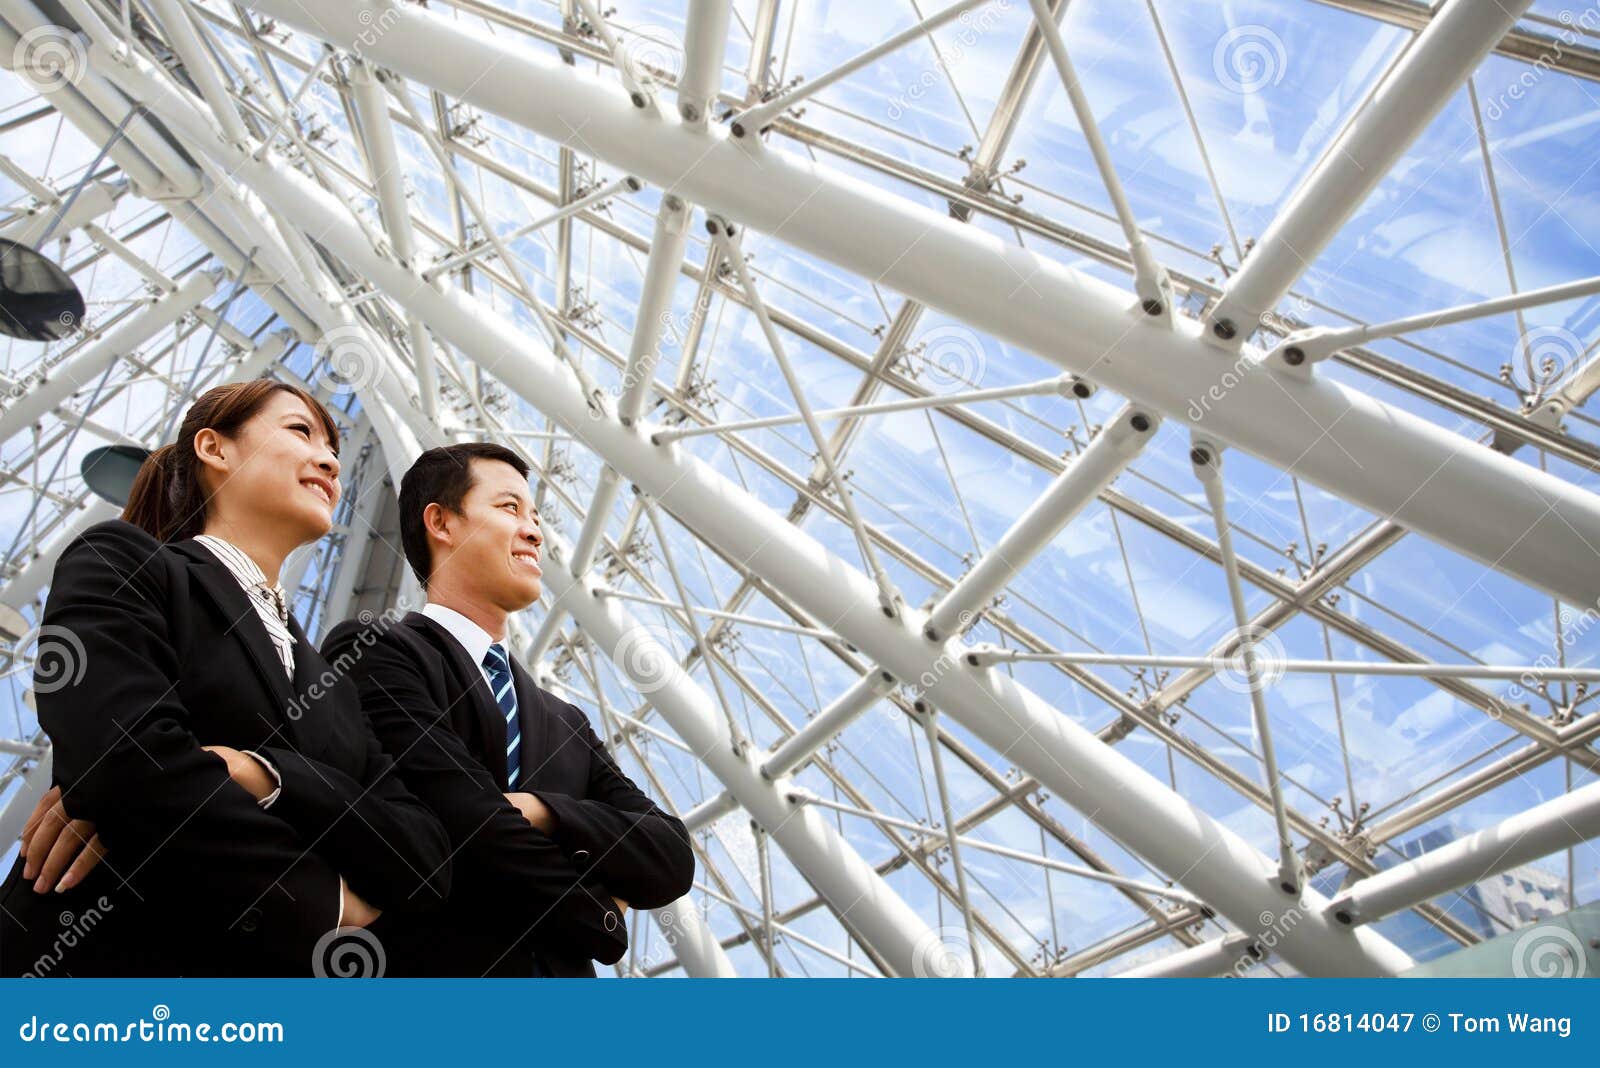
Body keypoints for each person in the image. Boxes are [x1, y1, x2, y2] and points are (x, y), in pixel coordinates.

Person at [0, 380, 451, 976]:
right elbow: (124, 764)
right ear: (215, 448)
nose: (330, 460)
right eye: (300, 431)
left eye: (334, 448)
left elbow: (425, 857)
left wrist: (262, 773)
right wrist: (331, 900)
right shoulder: (122, 562)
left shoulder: (336, 686)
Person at [320, 443, 694, 976]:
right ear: (441, 523)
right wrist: (601, 918)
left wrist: (544, 811)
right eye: (510, 509)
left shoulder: (566, 721)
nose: (535, 531)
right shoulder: (376, 651)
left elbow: (671, 855)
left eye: (536, 516)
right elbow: (464, 824)